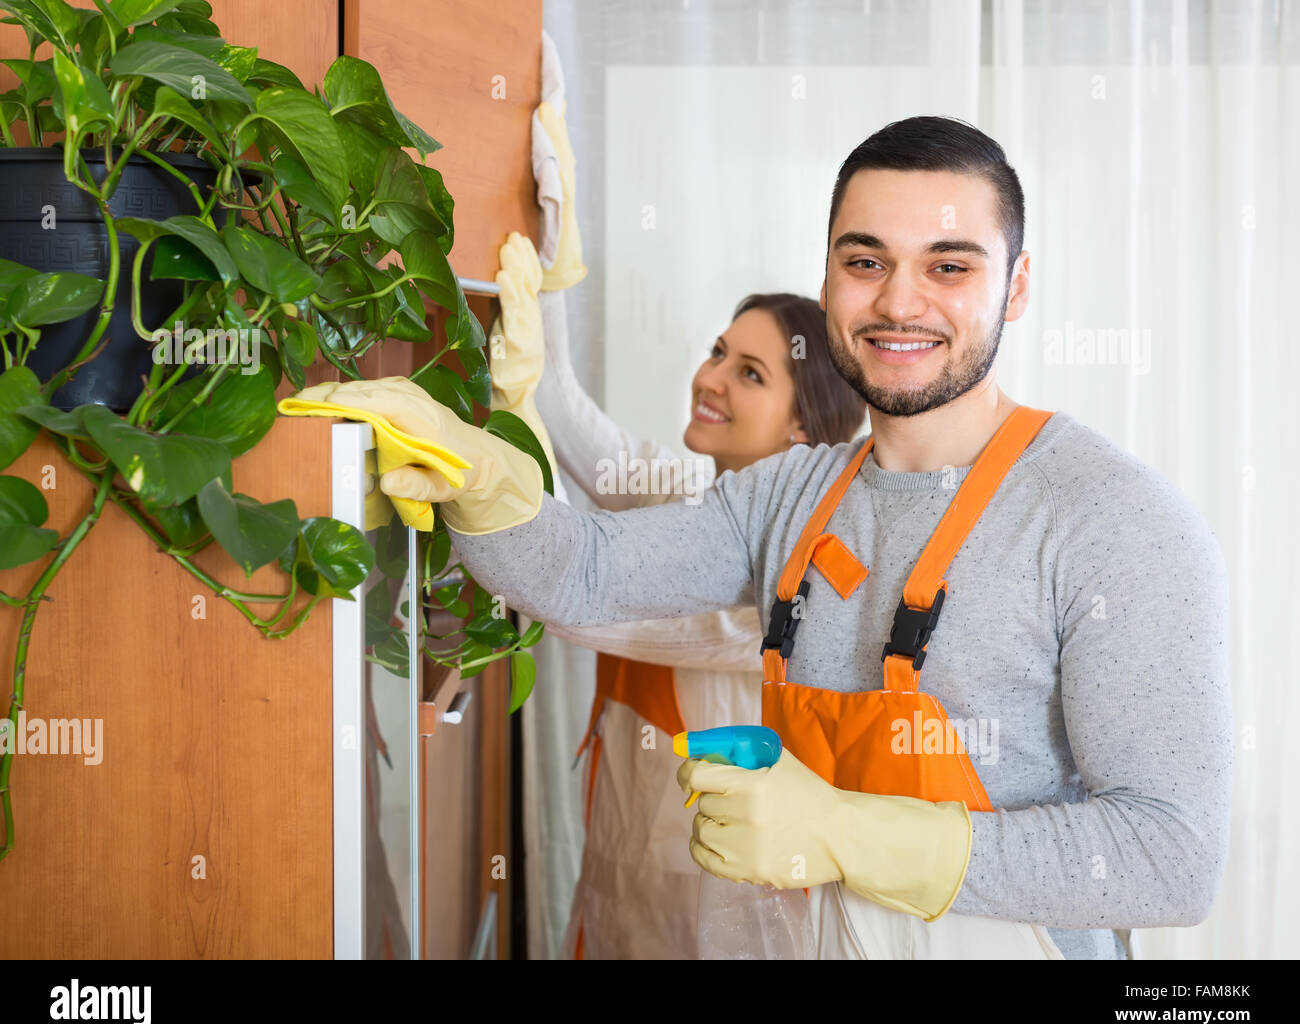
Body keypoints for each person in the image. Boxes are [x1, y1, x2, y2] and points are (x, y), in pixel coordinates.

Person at [287, 116, 1232, 960]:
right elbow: (585, 572)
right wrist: (485, 479)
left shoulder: (1113, 519)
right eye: (866, 262)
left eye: (950, 265)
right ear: (828, 282)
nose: (901, 303)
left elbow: (1170, 856)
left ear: (1017, 286)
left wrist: (852, 834)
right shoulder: (791, 496)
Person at [522, 289, 865, 959]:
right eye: (718, 353)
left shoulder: (790, 582)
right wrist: (549, 245)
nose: (710, 378)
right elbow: (559, 405)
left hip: (715, 898)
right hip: (621, 862)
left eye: (750, 372)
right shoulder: (681, 500)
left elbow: (584, 604)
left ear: (803, 426)